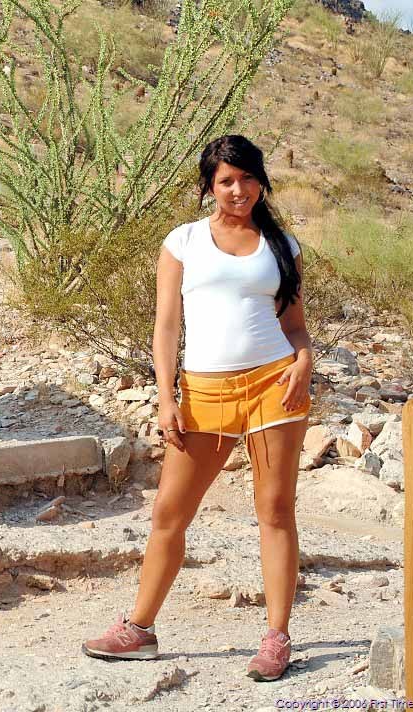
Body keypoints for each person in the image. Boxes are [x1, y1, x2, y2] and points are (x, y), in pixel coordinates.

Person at [81, 135, 314, 683]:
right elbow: (166, 327)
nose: (239, 190)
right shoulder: (183, 241)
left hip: (273, 388)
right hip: (203, 392)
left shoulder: (283, 244)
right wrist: (167, 396)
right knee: (169, 512)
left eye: (248, 178)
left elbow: (296, 325)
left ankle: (276, 638)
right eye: (226, 181)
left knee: (276, 510)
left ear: (261, 181)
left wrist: (304, 361)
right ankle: (138, 631)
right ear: (209, 186)